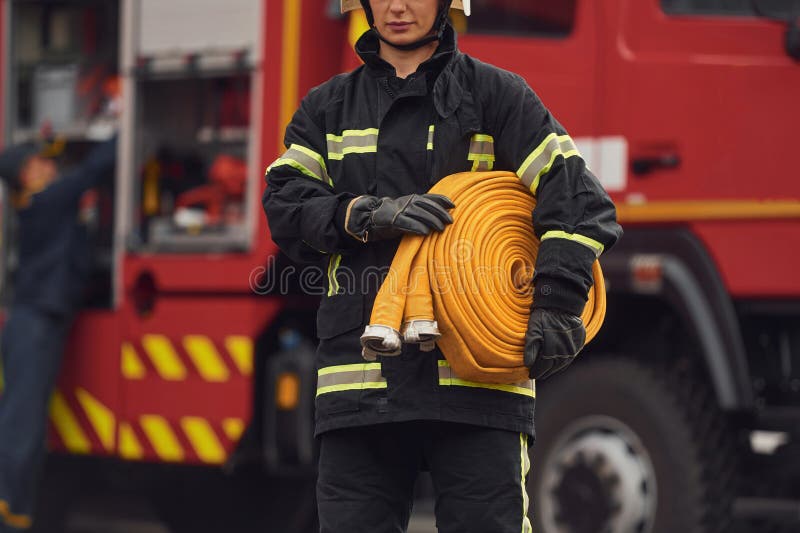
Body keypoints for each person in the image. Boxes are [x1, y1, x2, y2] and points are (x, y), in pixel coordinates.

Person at [262, 0, 622, 531]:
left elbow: (578, 198)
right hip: (361, 387)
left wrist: (557, 300)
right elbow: (285, 205)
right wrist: (365, 213)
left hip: (476, 384)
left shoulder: (497, 96)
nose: (397, 6)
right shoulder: (327, 109)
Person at [0, 136, 116, 531]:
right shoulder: (46, 201)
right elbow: (92, 170)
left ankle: (17, 517)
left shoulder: (40, 204)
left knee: (28, 435)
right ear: (25, 176)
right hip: (34, 326)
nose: (51, 168)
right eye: (41, 163)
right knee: (21, 433)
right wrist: (124, 129)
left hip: (39, 322)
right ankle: (8, 520)